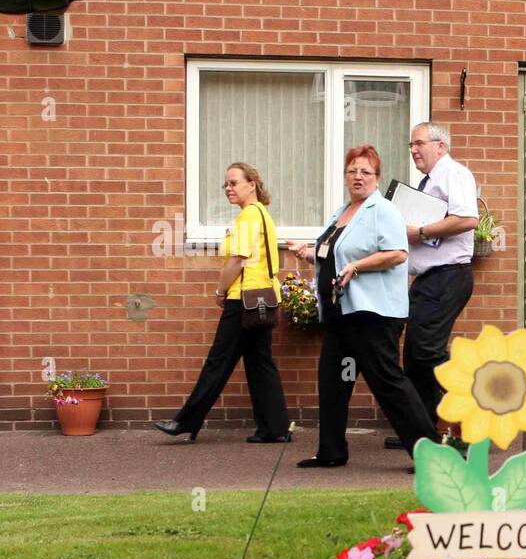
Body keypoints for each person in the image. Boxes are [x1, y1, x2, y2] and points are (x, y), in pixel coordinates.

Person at [288, 145, 436, 468]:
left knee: (387, 383)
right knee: (333, 381)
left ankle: (431, 455)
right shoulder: (341, 212)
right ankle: (331, 451)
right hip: (342, 314)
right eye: (352, 171)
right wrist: (309, 252)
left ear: (376, 177)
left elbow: (398, 253)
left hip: (374, 316)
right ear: (345, 176)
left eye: (365, 171)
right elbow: (335, 254)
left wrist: (358, 267)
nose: (358, 177)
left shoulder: (383, 211)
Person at [153, 163, 289, 443]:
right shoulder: (262, 214)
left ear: (252, 184)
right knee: (260, 363)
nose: (228, 188)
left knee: (218, 362)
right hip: (261, 300)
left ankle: (186, 421)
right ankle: (275, 428)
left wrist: (219, 290)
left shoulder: (248, 217)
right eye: (226, 184)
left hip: (242, 301)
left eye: (234, 182)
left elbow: (237, 260)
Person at [382, 121, 478, 451]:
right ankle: (421, 432)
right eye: (411, 144)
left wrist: (419, 232)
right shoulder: (427, 181)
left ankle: (462, 427)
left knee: (427, 352)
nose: (413, 150)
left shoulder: (454, 173)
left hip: (448, 276)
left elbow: (468, 219)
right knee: (414, 355)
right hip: (428, 279)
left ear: (440, 146)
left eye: (419, 143)